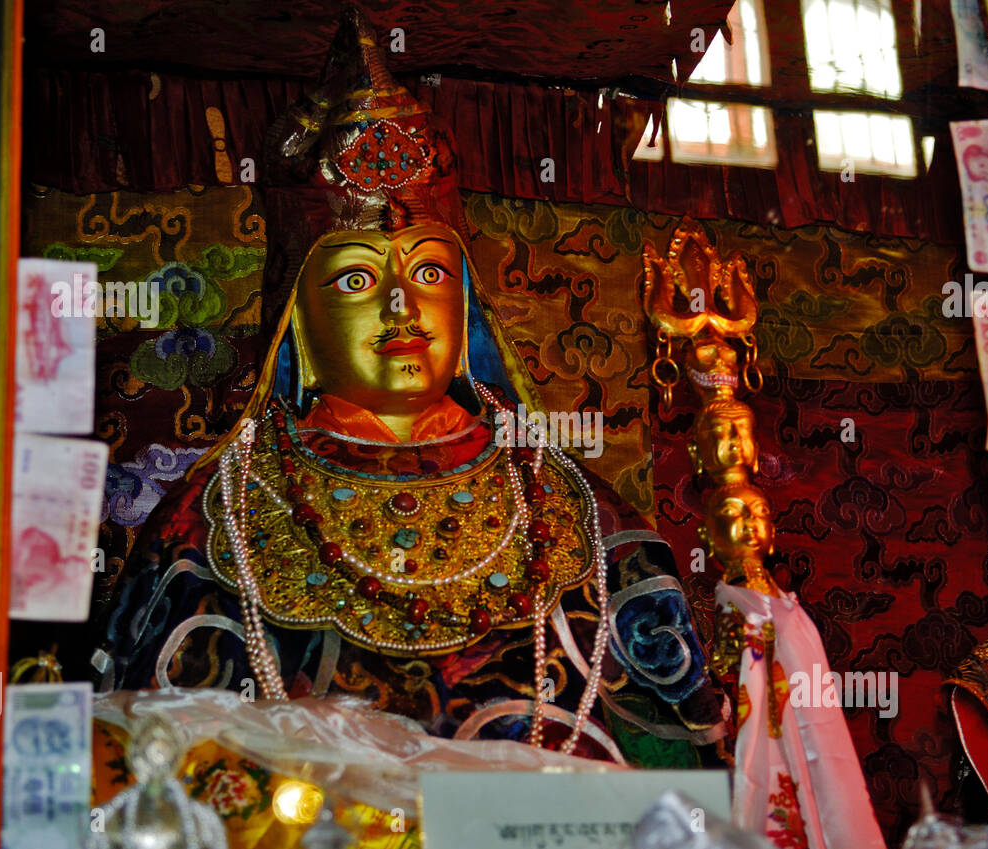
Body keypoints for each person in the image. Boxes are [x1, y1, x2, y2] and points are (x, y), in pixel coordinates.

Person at [93, 10, 730, 768]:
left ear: (467, 302)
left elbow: (675, 761)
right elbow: (144, 764)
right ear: (297, 315)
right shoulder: (214, 523)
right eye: (358, 278)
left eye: (429, 271)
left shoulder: (581, 520)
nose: (402, 308)